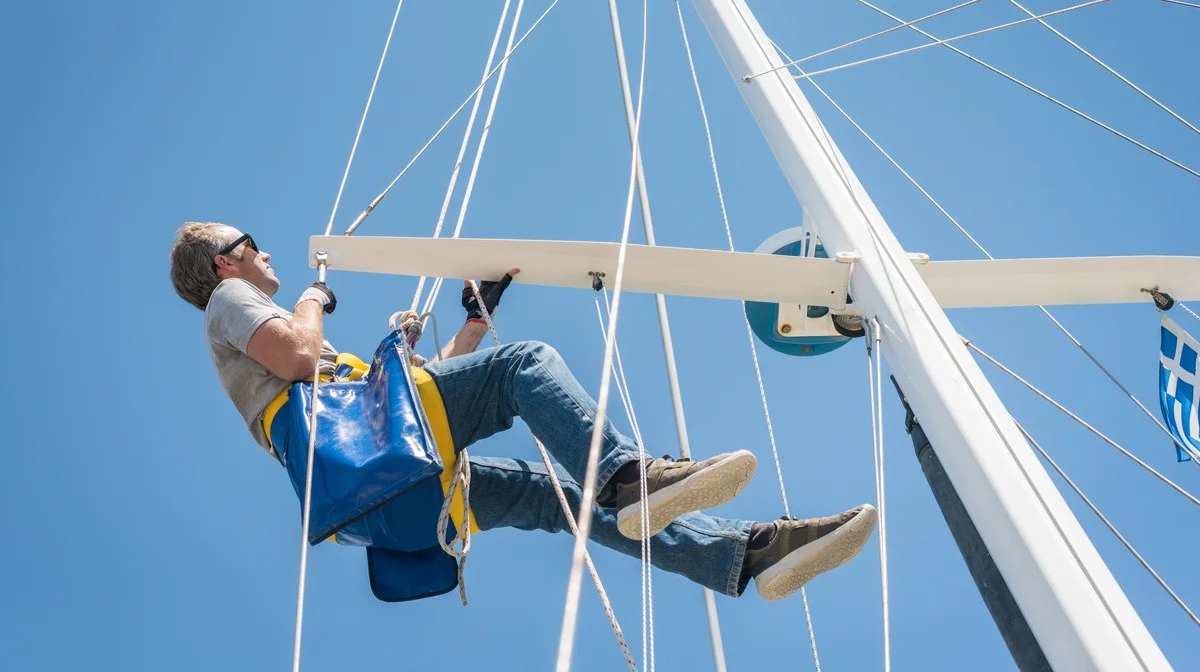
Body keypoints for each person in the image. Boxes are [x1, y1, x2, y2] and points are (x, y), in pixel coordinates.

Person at [169, 221, 877, 601]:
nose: (261, 250)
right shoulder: (229, 302)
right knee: (525, 365)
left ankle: (745, 553)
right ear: (223, 266)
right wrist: (314, 300)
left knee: (561, 501)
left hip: (399, 503)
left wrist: (473, 324)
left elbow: (422, 394)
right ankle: (630, 475)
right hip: (389, 458)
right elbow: (297, 355)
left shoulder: (316, 383)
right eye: (246, 245)